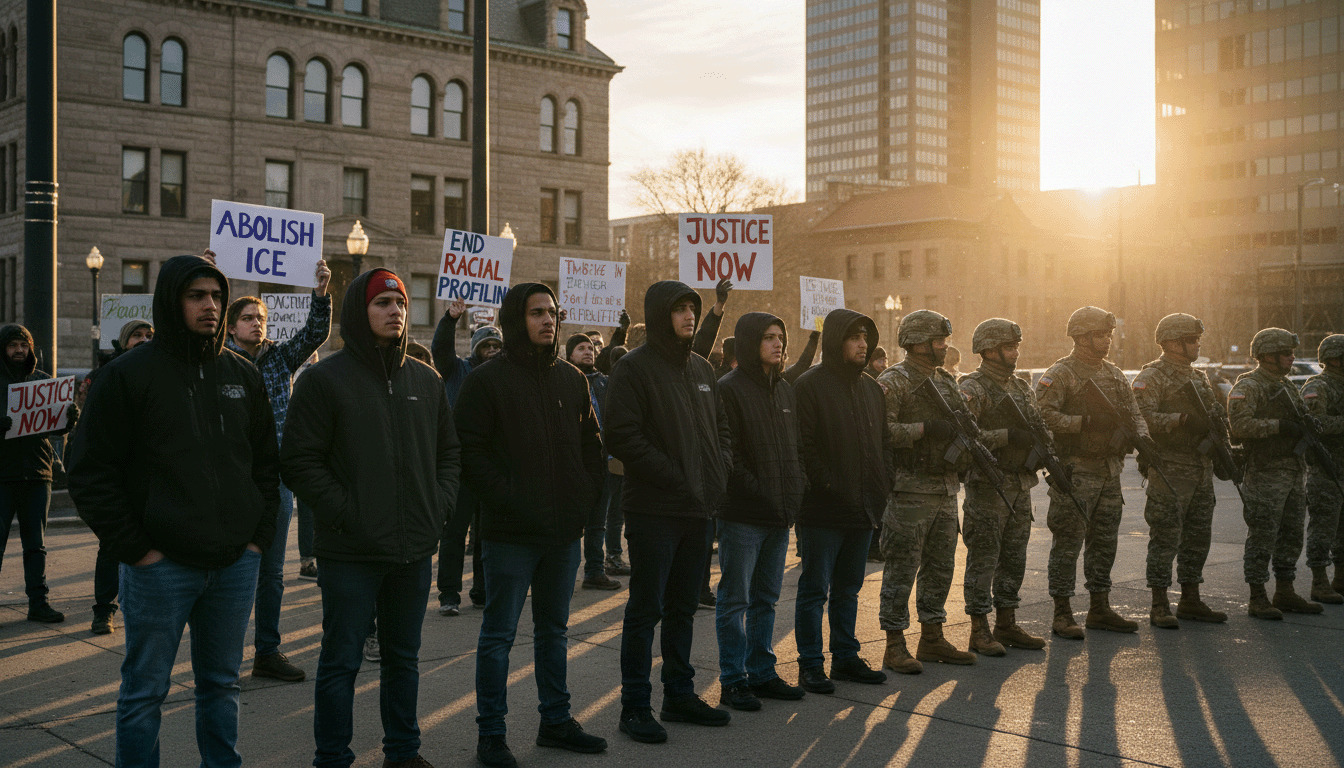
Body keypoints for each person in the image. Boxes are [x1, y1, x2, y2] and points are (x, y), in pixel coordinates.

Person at [67, 254, 279, 768]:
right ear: (171, 300)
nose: (210, 306)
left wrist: (257, 541)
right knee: (145, 692)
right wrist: (138, 550)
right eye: (196, 295)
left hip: (233, 564)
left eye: (216, 297)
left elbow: (266, 467)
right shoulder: (126, 376)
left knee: (221, 688)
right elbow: (89, 471)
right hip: (159, 568)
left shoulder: (242, 375)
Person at [282, 268, 460, 768]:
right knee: (341, 662)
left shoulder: (427, 380)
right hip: (350, 552)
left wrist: (438, 506)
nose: (395, 311)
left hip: (412, 549)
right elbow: (299, 461)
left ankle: (403, 752)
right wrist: (346, 513)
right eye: (382, 302)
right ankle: (332, 756)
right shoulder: (323, 380)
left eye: (400, 303)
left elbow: (449, 454)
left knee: (403, 660)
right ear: (361, 311)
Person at [458, 284, 607, 767]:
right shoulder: (487, 380)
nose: (548, 320)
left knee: (554, 631)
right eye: (537, 312)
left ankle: (556, 722)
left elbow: (591, 445)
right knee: (499, 636)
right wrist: (510, 501)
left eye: (553, 312)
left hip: (563, 533)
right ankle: (492, 736)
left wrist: (582, 497)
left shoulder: (571, 379)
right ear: (515, 318)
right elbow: (471, 453)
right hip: (510, 534)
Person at [606, 280, 732, 744]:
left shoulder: (700, 367)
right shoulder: (634, 368)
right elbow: (622, 435)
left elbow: (720, 429)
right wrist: (677, 475)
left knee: (682, 608)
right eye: (679, 309)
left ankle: (679, 694)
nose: (688, 317)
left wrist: (719, 471)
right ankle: (635, 706)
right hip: (654, 510)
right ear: (661, 314)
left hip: (698, 510)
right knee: (646, 610)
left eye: (692, 309)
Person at [224, 260, 332, 683]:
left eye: (262, 319)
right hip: (231, 479)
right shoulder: (217, 360)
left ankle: (267, 651)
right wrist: (207, 274)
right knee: (231, 571)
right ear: (231, 327)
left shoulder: (278, 359)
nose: (257, 324)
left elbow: (314, 334)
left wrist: (320, 294)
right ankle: (224, 657)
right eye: (249, 318)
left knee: (271, 574)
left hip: (275, 481)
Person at [792, 308, 891, 695]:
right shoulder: (809, 385)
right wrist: (830, 484)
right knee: (815, 589)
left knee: (848, 589)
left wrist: (882, 483)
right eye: (854, 336)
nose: (863, 344)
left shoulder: (870, 388)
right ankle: (810, 664)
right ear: (836, 341)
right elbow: (805, 446)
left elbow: (882, 444)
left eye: (866, 336)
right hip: (823, 509)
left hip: (863, 508)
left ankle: (845, 657)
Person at [1035, 306, 1149, 638]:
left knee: (1104, 541)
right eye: (1102, 335)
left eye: (1109, 334)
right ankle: (1062, 612)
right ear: (1083, 338)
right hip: (1076, 470)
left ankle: (1100, 607)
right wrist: (1083, 422)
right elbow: (1042, 417)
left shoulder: (1113, 374)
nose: (1108, 340)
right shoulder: (1061, 374)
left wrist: (1143, 438)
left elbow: (1133, 412)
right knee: (1068, 542)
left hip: (1108, 470)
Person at [714, 312, 807, 712]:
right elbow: (729, 456)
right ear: (751, 342)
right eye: (769, 337)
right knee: (735, 600)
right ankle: (734, 680)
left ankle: (762, 672)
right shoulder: (728, 389)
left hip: (778, 515)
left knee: (766, 599)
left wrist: (795, 490)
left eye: (780, 337)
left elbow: (796, 450)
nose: (778, 344)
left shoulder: (785, 390)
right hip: (742, 516)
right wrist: (761, 494)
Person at [875, 310, 976, 674]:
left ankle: (932, 636)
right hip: (909, 491)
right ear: (917, 342)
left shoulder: (946, 381)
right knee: (902, 568)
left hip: (945, 490)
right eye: (938, 341)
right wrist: (924, 428)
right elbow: (882, 433)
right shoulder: (894, 381)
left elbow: (964, 420)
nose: (943, 347)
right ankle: (894, 644)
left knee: (940, 567)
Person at [1131, 313, 1230, 628]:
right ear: (1171, 342)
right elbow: (1142, 419)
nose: (1197, 344)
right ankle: (1159, 604)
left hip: (1200, 467)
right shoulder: (1152, 376)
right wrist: (1182, 420)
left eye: (1197, 339)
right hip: (1171, 467)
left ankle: (1190, 598)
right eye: (1191, 339)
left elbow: (1212, 417)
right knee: (1165, 536)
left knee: (1198, 535)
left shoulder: (1198, 377)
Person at [957, 319, 1049, 655]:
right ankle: (979, 629)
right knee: (984, 558)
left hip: (1019, 484)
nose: (1015, 352)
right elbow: (966, 436)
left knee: (1014, 557)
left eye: (1015, 346)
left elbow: (1039, 425)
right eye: (1008, 347)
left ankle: (1006, 623)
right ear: (989, 350)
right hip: (988, 487)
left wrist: (1041, 448)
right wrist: (1007, 437)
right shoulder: (973, 387)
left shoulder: (1022, 387)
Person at [1227, 328, 1322, 619]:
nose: (1292, 357)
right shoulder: (1250, 385)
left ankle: (1285, 590)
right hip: (1266, 472)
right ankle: (1257, 596)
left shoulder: (1287, 385)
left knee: (1292, 534)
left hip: (1293, 471)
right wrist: (1278, 427)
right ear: (1267, 355)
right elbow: (1239, 427)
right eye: (1286, 353)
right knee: (1263, 535)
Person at [1, 323, 78, 624]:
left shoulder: (43, 382)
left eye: (24, 345)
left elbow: (54, 428)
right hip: (2, 475)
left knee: (36, 545)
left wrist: (69, 420)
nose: (19, 350)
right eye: (13, 345)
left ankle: (39, 602)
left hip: (37, 473)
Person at [81, 319, 155, 635]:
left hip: (151, 477)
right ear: (123, 342)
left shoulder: (161, 374)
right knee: (112, 546)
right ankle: (104, 610)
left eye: (149, 335)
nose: (143, 339)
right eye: (137, 335)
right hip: (118, 475)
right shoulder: (104, 376)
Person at [432, 297, 502, 615]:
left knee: (487, 533)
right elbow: (441, 351)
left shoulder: (506, 379)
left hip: (492, 466)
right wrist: (450, 319)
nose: (492, 350)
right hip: (459, 466)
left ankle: (483, 590)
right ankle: (449, 593)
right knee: (454, 531)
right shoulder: (457, 370)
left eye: (497, 345)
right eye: (486, 345)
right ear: (475, 349)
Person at [566, 333, 621, 589]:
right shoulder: (564, 379)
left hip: (603, 461)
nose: (588, 351)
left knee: (598, 521)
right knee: (571, 521)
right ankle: (561, 574)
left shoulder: (604, 382)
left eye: (590, 348)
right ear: (569, 355)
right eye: (581, 348)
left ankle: (594, 571)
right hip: (574, 462)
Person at [1302, 334, 1344, 603]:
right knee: (1324, 527)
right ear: (1335, 359)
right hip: (1327, 469)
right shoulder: (1317, 386)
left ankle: (1340, 578)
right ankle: (1319, 581)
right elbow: (1315, 423)